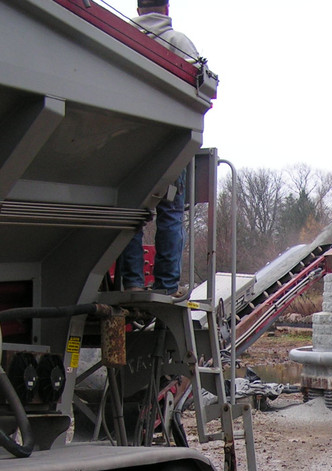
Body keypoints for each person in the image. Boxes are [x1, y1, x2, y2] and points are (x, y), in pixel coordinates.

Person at [116, 0, 200, 301]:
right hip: (171, 144)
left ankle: (134, 283)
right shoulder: (178, 42)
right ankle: (165, 284)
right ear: (166, 9)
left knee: (130, 213)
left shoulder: (119, 36)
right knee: (171, 212)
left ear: (139, 10)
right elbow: (200, 92)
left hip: (127, 142)